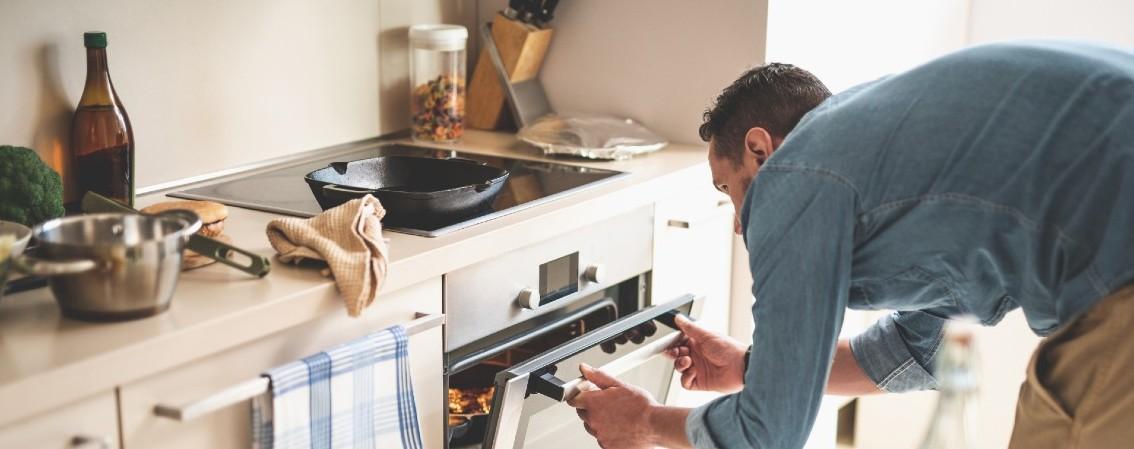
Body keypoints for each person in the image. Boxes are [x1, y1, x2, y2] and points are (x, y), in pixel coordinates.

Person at [568, 40, 1134, 449]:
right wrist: (751, 366)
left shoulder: (795, 176)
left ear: (762, 150)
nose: (742, 224)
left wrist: (642, 422)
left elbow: (768, 434)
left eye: (730, 189)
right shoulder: (881, 160)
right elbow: (923, 355)